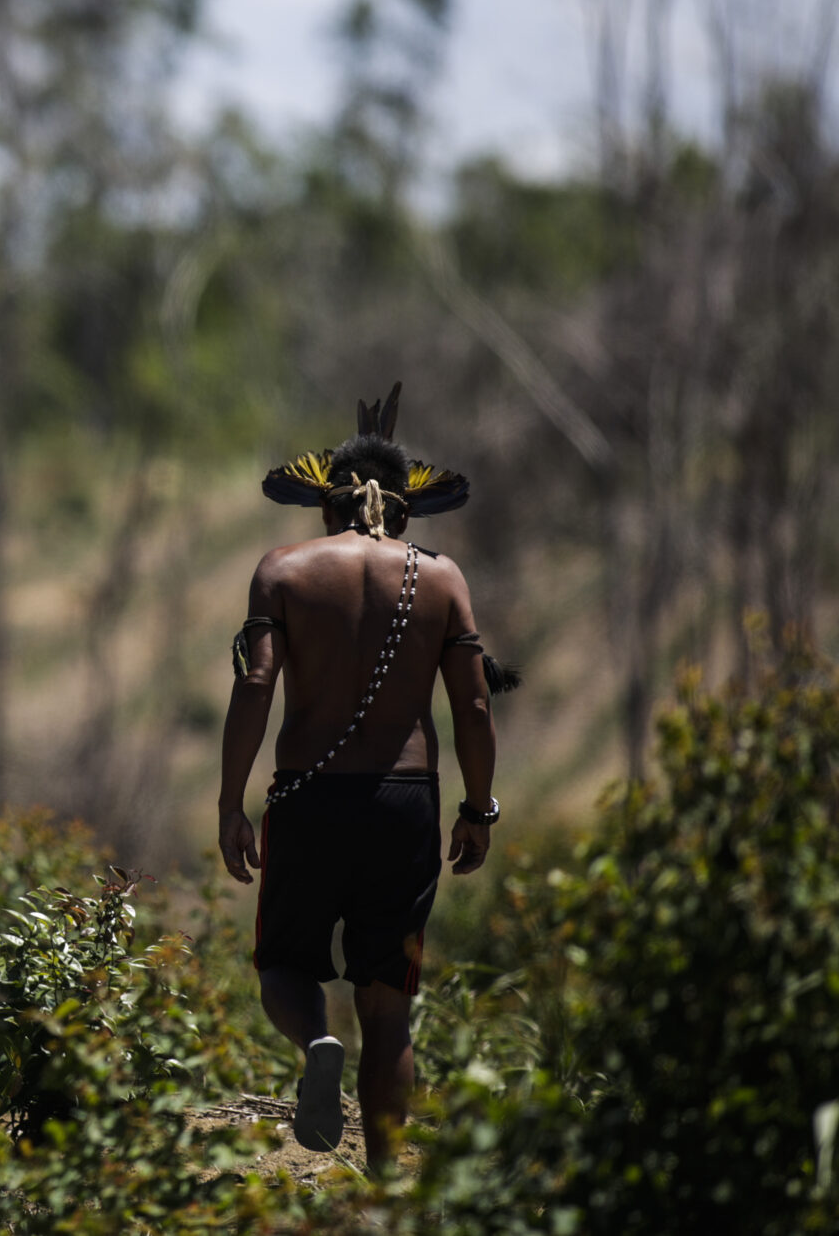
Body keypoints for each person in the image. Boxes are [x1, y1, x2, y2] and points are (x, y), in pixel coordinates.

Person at [216, 383, 512, 1173]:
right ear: (404, 508)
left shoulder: (282, 570)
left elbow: (255, 685)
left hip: (308, 800)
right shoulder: (443, 580)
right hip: (404, 806)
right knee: (391, 1011)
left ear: (325, 504)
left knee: (283, 962)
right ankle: (383, 1189)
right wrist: (479, 807)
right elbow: (475, 706)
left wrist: (229, 802)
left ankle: (316, 1040)